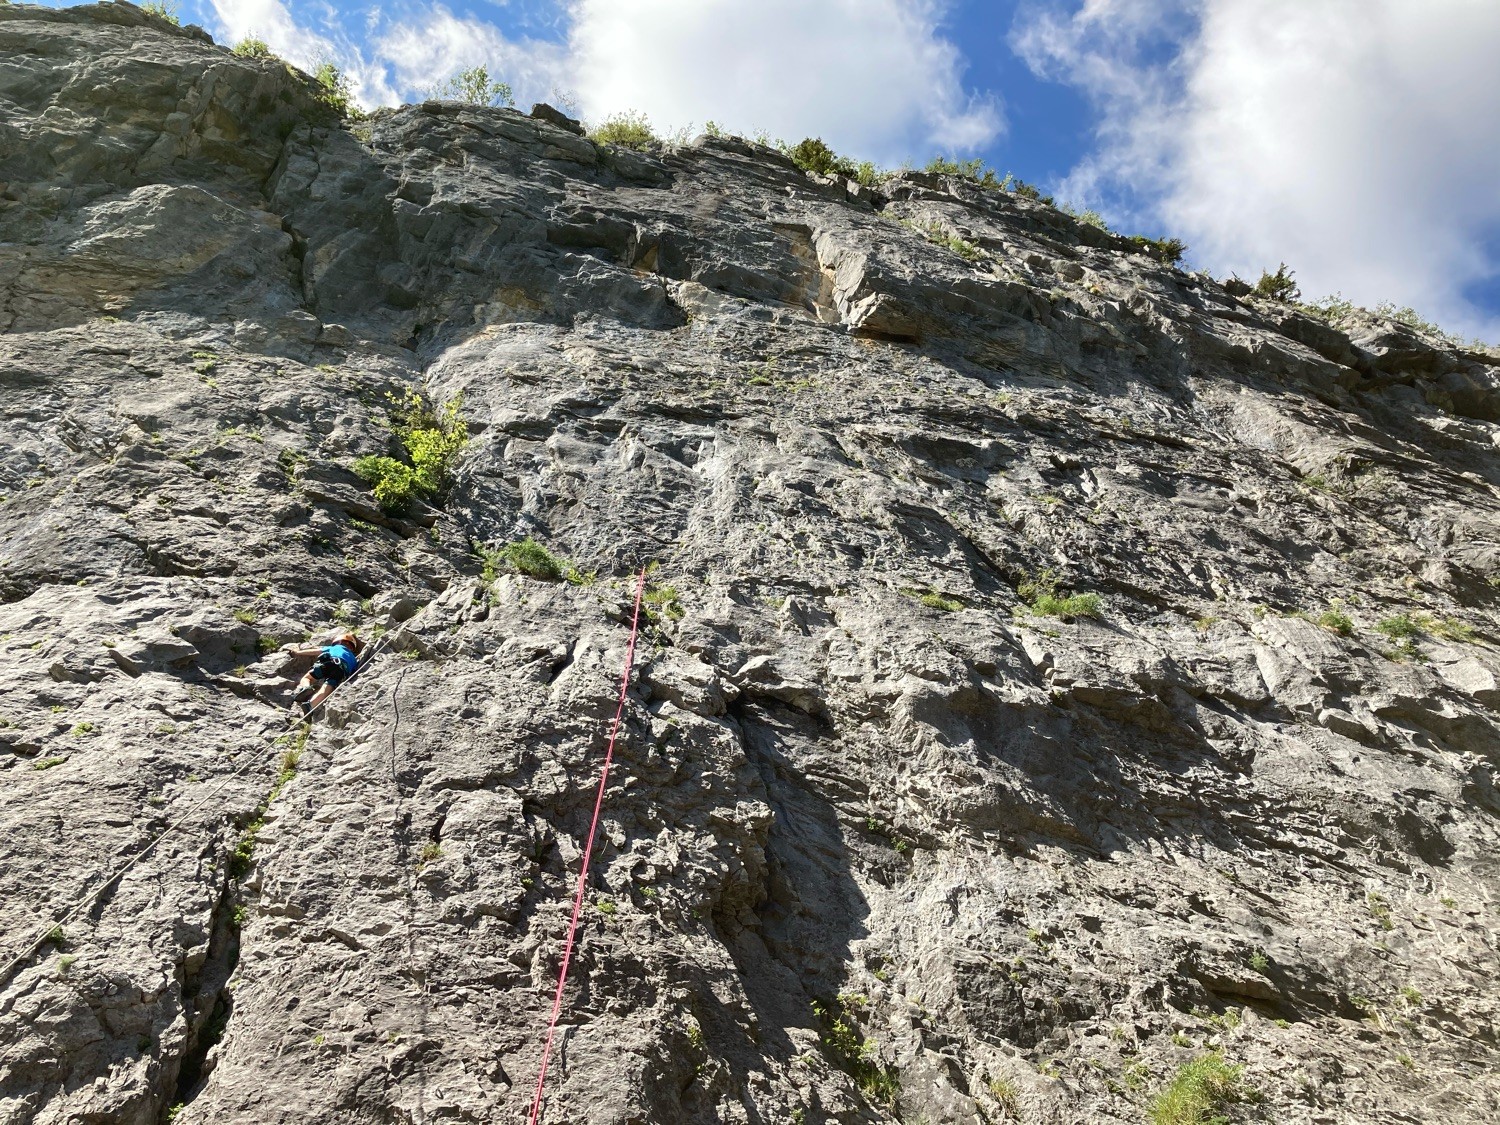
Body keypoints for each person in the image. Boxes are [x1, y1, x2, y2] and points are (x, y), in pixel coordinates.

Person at [288, 632, 363, 717]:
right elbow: (353, 671)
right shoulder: (353, 658)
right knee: (327, 687)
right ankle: (310, 705)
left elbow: (314, 652)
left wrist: (297, 653)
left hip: (329, 663)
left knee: (307, 678)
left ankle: (306, 687)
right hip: (341, 671)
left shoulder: (334, 647)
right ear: (351, 647)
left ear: (338, 642)